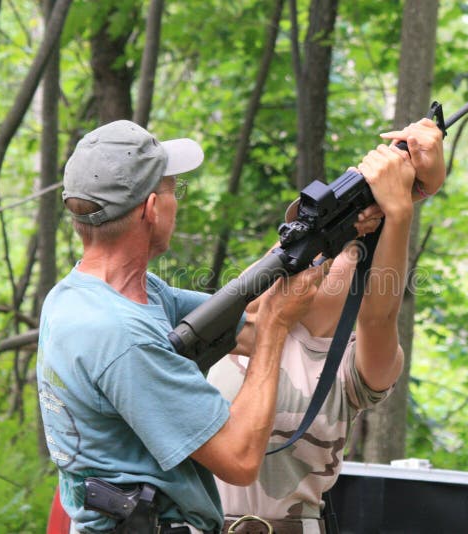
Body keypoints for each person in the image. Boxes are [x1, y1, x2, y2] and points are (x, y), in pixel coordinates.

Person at [36, 119, 329, 534]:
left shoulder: (91, 297)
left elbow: (246, 326)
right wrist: (281, 321)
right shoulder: (122, 334)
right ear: (151, 209)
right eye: (175, 189)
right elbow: (240, 458)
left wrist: (309, 241)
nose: (178, 201)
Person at [206, 118, 445, 534]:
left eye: (340, 252)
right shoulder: (240, 328)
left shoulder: (354, 367)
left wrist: (403, 205)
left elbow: (380, 315)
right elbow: (272, 269)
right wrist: (372, 183)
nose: (320, 258)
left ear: (361, 285)